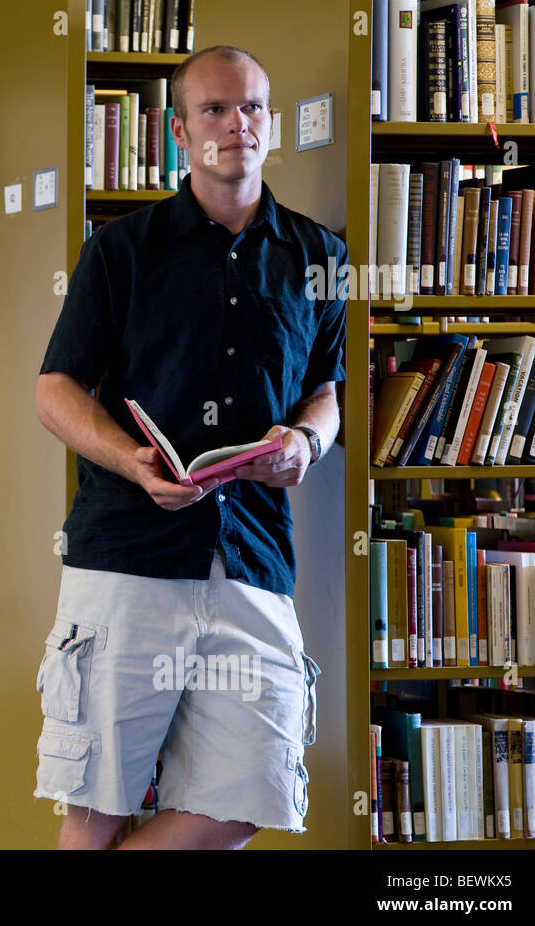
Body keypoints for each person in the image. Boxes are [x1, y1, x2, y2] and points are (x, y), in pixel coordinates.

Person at [32, 45, 346, 850]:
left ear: (270, 122)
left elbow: (328, 391)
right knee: (99, 801)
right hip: (129, 556)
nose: (236, 123)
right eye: (214, 109)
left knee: (252, 794)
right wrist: (129, 457)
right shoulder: (121, 250)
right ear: (179, 130)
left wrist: (307, 443)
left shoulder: (320, 258)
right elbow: (55, 391)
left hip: (252, 559)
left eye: (251, 107)